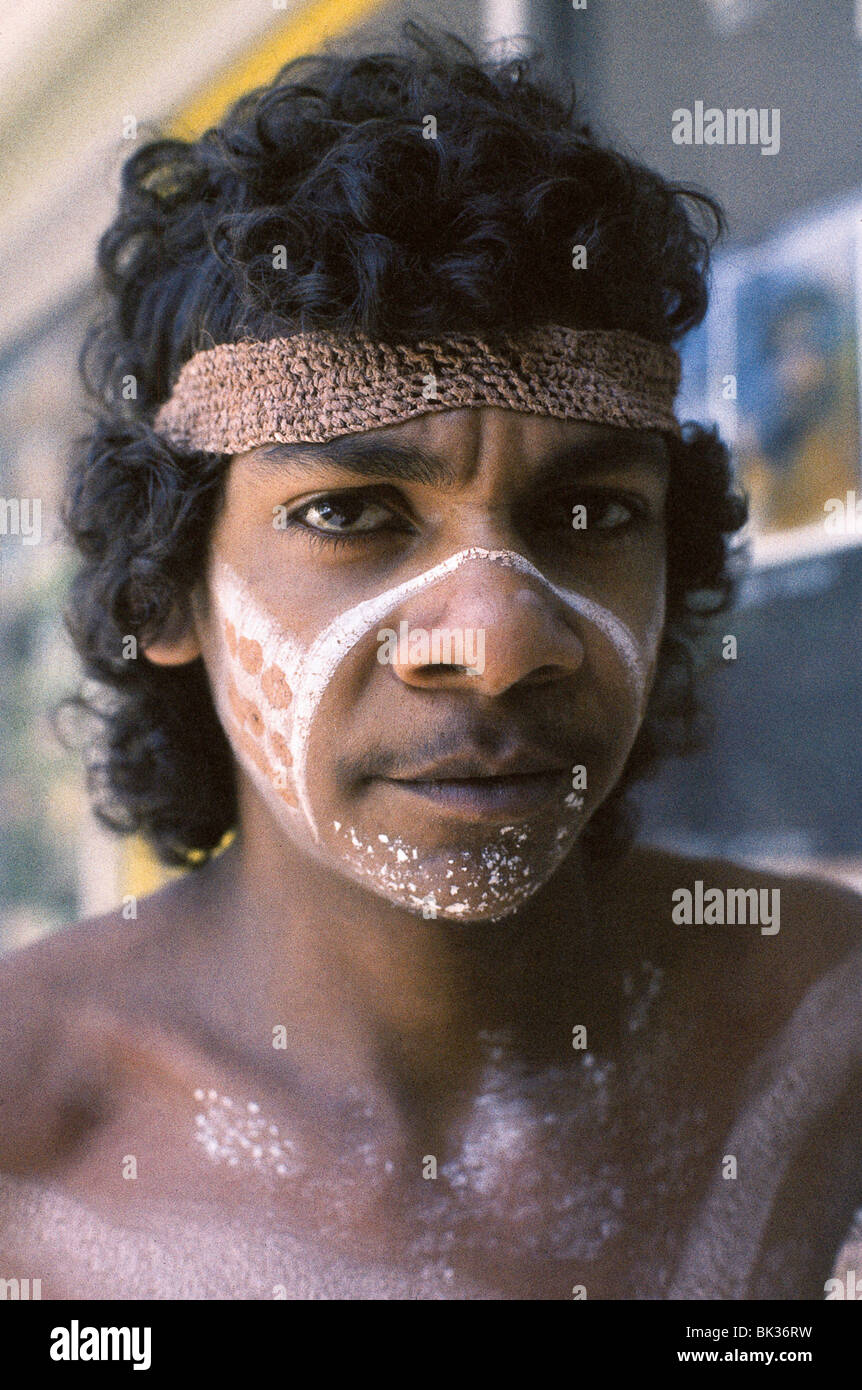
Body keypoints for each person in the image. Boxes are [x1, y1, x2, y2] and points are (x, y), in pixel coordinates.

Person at [1, 22, 860, 1301]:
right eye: (351, 514)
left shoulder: (833, 1036)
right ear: (164, 583)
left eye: (587, 515)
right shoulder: (27, 1122)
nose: (502, 643)